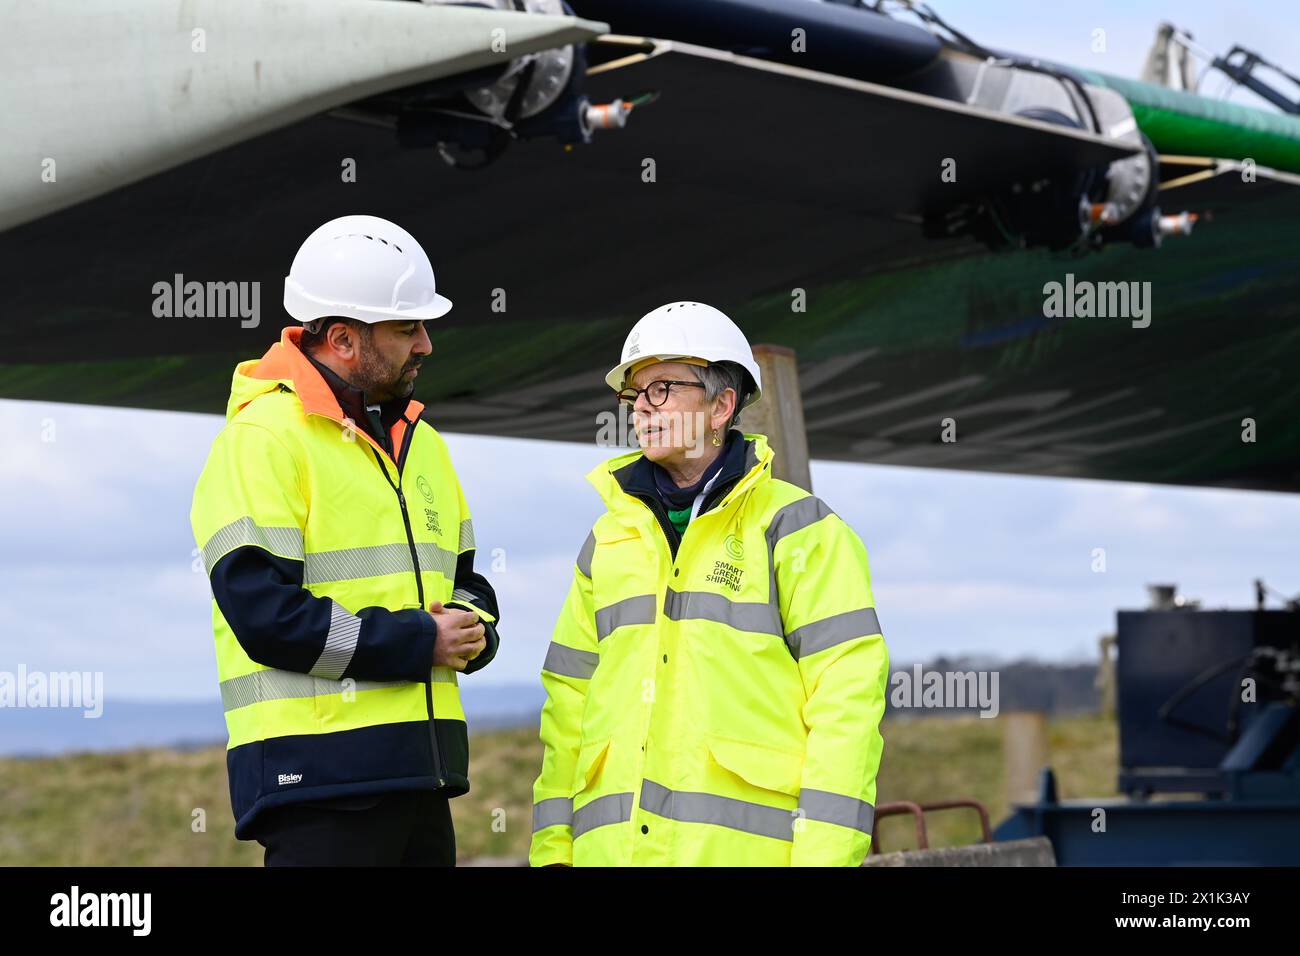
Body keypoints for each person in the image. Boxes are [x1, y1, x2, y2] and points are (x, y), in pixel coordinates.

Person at [529, 300, 889, 867]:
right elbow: (566, 709)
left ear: (723, 405)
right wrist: (552, 855)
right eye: (634, 394)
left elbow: (846, 712)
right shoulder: (608, 541)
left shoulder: (800, 531)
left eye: (663, 389)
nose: (642, 409)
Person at [190, 214, 501, 866]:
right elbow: (266, 617)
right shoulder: (263, 439)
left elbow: (466, 579)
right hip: (318, 786)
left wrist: (474, 629)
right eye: (407, 327)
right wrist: (422, 641)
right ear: (342, 339)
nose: (426, 344)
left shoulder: (423, 445)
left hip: (419, 774)